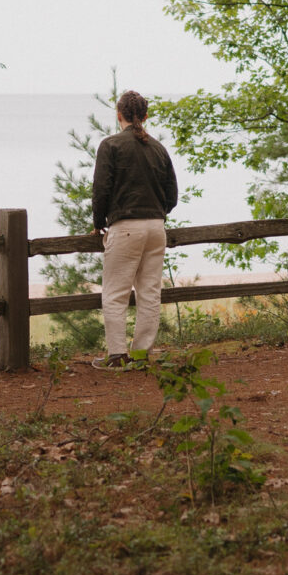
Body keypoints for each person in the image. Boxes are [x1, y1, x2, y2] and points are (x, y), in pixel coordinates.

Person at [91, 90, 178, 370]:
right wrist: (156, 213)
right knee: (150, 293)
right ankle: (140, 355)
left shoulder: (111, 145)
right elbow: (172, 195)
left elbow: (101, 189)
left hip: (126, 226)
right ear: (145, 116)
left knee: (115, 293)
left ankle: (117, 356)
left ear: (119, 115)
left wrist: (98, 223)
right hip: (156, 227)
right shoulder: (158, 148)